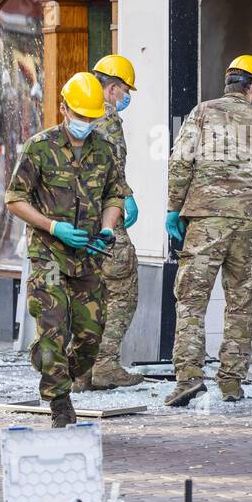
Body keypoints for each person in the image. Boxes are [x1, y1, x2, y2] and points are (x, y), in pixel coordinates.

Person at [164, 54, 252, 406]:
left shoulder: (200, 113)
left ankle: (188, 379)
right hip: (245, 224)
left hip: (205, 222)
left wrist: (173, 209)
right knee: (241, 303)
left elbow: (180, 162)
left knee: (191, 302)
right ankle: (230, 383)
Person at [5, 72, 130, 427]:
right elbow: (14, 199)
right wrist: (53, 226)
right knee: (53, 328)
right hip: (48, 254)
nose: (85, 124)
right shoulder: (39, 147)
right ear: (63, 108)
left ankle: (51, 363)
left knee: (92, 334)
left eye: (91, 118)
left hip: (89, 254)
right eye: (80, 116)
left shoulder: (104, 150)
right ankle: (60, 404)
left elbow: (114, 194)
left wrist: (108, 227)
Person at [74, 54, 145, 390]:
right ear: (113, 87)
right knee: (123, 289)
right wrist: (125, 195)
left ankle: (81, 371)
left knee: (87, 293)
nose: (125, 97)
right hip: (104, 218)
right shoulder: (107, 118)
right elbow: (111, 168)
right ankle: (105, 365)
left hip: (74, 218)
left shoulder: (75, 113)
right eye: (124, 90)